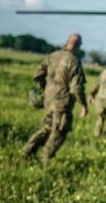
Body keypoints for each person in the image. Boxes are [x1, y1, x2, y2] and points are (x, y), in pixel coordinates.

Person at [22, 32, 87, 163]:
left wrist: (45, 89)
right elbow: (76, 88)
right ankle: (45, 160)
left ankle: (27, 152)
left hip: (48, 101)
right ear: (78, 46)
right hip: (62, 103)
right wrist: (84, 105)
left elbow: (38, 74)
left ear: (67, 42)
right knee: (59, 132)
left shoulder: (52, 56)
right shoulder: (74, 61)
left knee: (47, 128)